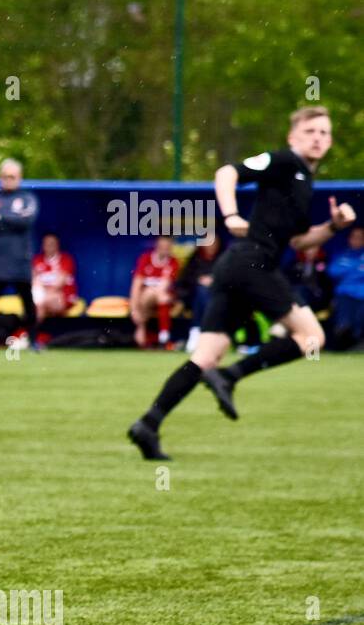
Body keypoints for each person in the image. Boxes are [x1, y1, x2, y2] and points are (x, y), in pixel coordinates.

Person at [127, 106, 356, 460]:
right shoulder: (283, 162)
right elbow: (226, 173)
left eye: (324, 133)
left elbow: (297, 242)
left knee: (205, 356)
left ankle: (149, 423)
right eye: (310, 131)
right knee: (312, 338)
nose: (318, 138)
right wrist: (231, 214)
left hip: (238, 268)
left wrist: (334, 226)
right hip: (252, 265)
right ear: (292, 137)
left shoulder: (302, 181)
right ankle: (232, 375)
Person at [0, 158, 39, 344]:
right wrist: (12, 219)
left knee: (27, 301)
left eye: (12, 177)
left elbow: (26, 220)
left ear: (19, 178)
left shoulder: (27, 198)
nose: (8, 180)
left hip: (19, 260)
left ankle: (34, 340)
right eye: (5, 176)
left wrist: (1, 218)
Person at [129, 235, 179, 349]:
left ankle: (163, 338)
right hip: (144, 302)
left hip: (164, 300)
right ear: (157, 245)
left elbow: (164, 287)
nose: (165, 249)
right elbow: (136, 286)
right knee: (149, 293)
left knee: (162, 296)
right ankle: (149, 331)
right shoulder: (145, 258)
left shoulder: (173, 262)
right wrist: (134, 310)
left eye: (168, 246)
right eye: (162, 246)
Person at [175, 235, 221, 353]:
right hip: (193, 299)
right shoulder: (195, 259)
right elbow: (184, 280)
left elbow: (230, 278)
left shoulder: (223, 258)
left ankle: (200, 332)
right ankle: (197, 332)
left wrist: (214, 280)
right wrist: (199, 280)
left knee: (207, 295)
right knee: (201, 292)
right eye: (209, 243)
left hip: (218, 298)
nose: (211, 246)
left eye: (214, 243)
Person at [31, 231, 77, 340]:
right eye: (46, 244)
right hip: (42, 298)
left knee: (40, 303)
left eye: (52, 244)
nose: (49, 247)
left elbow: (58, 284)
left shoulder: (66, 259)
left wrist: (42, 296)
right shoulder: (37, 260)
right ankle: (37, 337)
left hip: (63, 298)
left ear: (57, 245)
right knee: (38, 304)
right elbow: (34, 281)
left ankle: (31, 336)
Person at [327, 226, 364, 349]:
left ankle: (358, 339)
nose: (357, 240)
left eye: (360, 238)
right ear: (349, 239)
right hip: (344, 294)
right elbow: (332, 271)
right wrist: (357, 268)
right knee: (343, 316)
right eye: (354, 237)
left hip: (361, 294)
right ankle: (343, 337)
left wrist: (349, 270)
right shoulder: (342, 255)